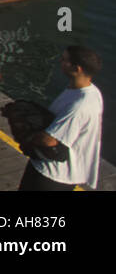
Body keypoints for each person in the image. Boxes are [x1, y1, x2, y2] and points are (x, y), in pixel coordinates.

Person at [18, 46, 104, 191]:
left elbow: (50, 140)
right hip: (57, 171)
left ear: (77, 69)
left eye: (64, 60)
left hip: (52, 175)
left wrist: (26, 134)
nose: (60, 62)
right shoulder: (90, 91)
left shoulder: (80, 106)